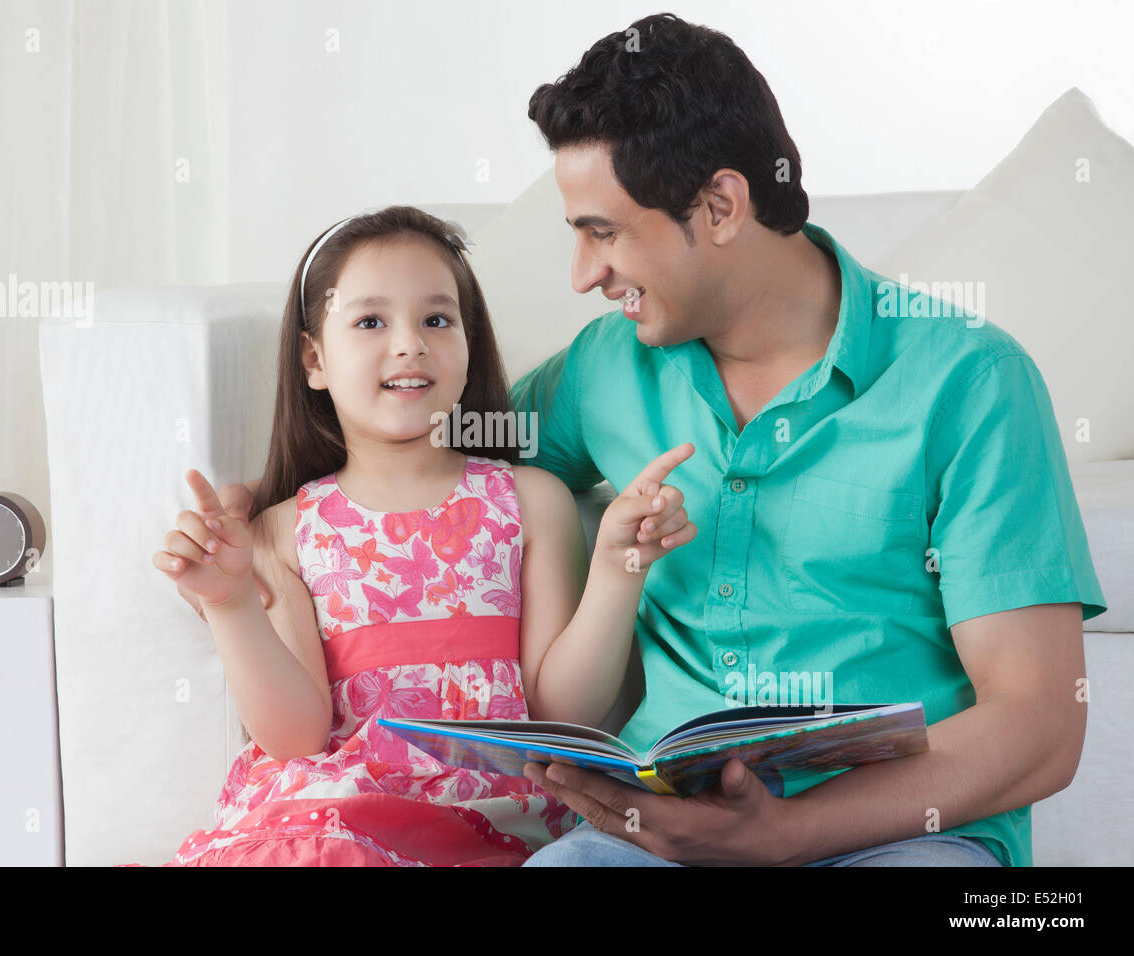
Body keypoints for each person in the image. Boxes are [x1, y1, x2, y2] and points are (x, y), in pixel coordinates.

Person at [502, 13, 1108, 867]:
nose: (584, 275)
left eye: (603, 231)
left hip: (897, 841)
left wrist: (777, 835)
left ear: (719, 206)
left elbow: (1040, 723)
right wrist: (262, 520)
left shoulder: (970, 383)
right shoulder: (607, 365)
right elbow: (441, 456)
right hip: (654, 837)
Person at [150, 205, 698, 866]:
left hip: (492, 805)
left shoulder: (529, 502)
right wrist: (230, 602)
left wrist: (619, 569)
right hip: (345, 811)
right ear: (314, 359)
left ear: (470, 348)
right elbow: (296, 736)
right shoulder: (285, 530)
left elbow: (560, 710)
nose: (409, 342)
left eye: (437, 319)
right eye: (371, 321)